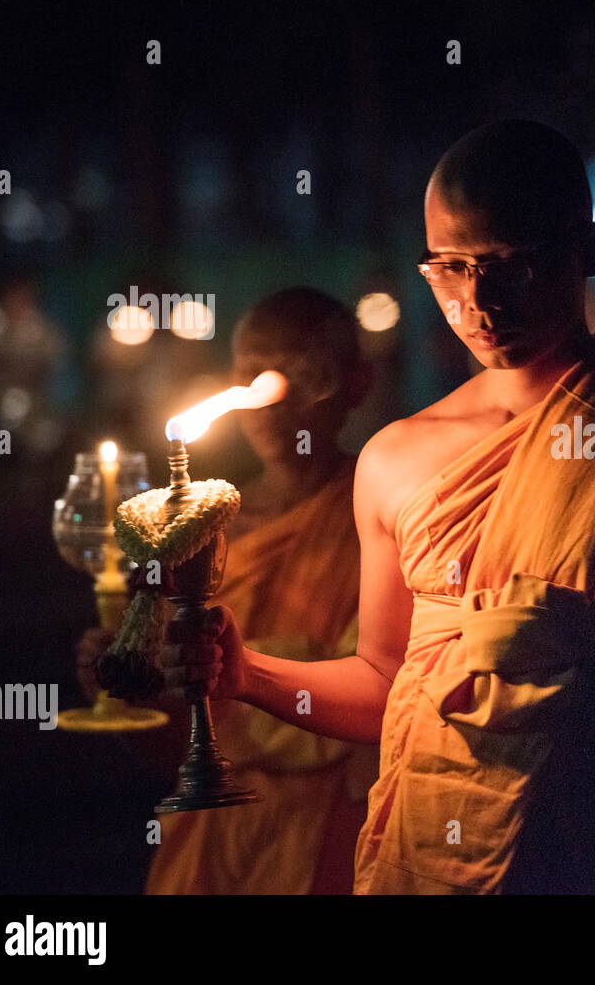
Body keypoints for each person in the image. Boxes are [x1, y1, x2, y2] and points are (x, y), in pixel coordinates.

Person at [159, 121, 595, 894]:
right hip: (430, 848)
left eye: (510, 265)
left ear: (589, 248)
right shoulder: (397, 457)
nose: (477, 300)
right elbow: (387, 678)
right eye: (449, 267)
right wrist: (248, 673)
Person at [77, 286, 377, 893]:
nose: (271, 397)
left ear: (354, 384)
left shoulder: (380, 514)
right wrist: (131, 690)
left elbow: (372, 700)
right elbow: (176, 748)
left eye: (298, 371)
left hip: (327, 836)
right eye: (251, 373)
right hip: (209, 839)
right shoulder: (203, 529)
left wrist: (231, 685)